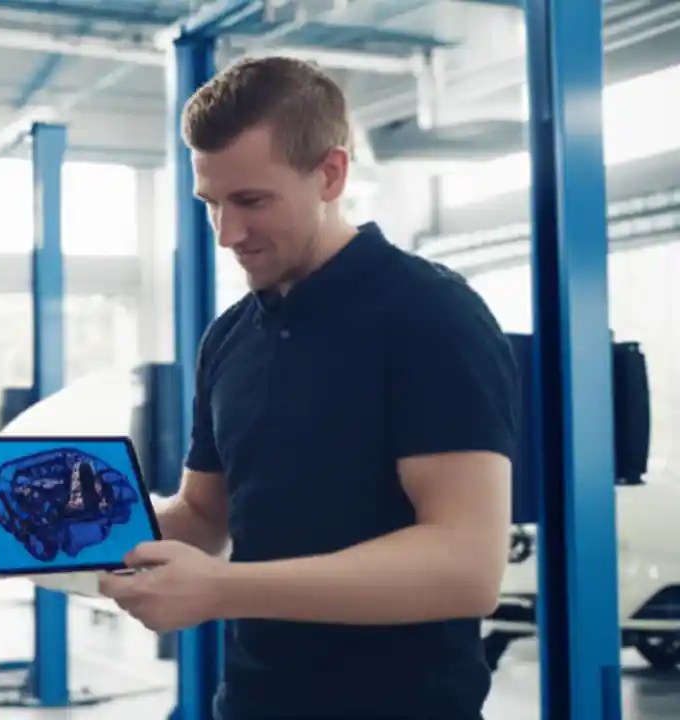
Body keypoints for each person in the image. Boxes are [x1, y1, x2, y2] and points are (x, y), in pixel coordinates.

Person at [99, 57, 518, 719]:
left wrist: (224, 590)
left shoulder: (429, 315)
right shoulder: (229, 337)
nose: (227, 234)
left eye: (252, 201)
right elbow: (206, 517)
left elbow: (465, 567)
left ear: (331, 173)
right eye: (211, 204)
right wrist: (59, 540)